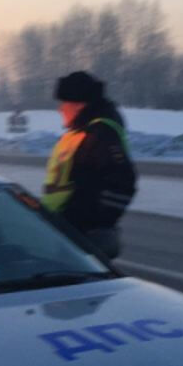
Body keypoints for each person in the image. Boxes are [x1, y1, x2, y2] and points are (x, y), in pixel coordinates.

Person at [41, 70, 136, 259]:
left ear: (79, 104)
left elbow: (123, 182)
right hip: (64, 231)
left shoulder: (101, 133)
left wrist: (92, 225)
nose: (60, 109)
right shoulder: (80, 132)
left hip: (83, 238)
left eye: (64, 103)